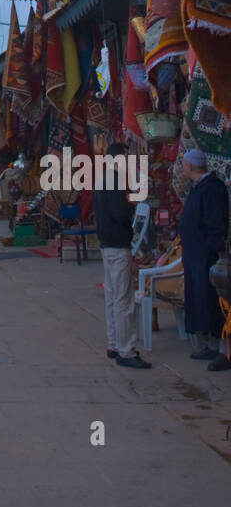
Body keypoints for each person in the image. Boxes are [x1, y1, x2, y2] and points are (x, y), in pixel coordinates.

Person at [94, 141, 151, 370]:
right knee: (123, 299)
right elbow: (119, 213)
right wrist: (131, 206)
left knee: (111, 295)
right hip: (118, 244)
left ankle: (114, 343)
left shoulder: (101, 179)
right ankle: (126, 350)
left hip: (107, 244)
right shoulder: (116, 181)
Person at [179, 148, 230, 369]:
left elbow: (215, 225)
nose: (182, 167)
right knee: (202, 301)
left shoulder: (212, 189)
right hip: (195, 256)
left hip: (206, 257)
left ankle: (222, 350)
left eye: (183, 164)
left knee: (213, 302)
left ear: (190, 166)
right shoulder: (199, 187)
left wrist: (207, 249)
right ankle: (211, 345)